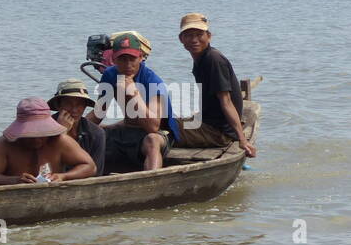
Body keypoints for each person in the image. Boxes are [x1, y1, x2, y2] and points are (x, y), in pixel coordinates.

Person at [94, 31, 178, 173]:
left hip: (158, 134)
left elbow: (153, 126)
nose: (128, 64)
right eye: (122, 59)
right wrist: (76, 129)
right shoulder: (110, 75)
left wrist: (134, 93)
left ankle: (151, 181)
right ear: (114, 59)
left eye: (132, 59)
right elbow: (98, 113)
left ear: (140, 57)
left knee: (152, 140)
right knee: (92, 134)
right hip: (128, 130)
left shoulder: (153, 81)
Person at [176, 13, 257, 157]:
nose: (194, 40)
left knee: (159, 124)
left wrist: (242, 139)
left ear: (209, 36)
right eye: (189, 35)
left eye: (199, 34)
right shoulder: (201, 59)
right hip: (208, 124)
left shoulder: (213, 60)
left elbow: (226, 102)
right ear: (181, 39)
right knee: (162, 118)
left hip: (218, 132)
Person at [0, 98, 97, 185]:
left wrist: (63, 176)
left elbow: (90, 167)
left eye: (41, 134)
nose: (36, 139)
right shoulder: (5, 144)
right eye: (30, 134)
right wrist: (14, 180)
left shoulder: (60, 141)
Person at [47, 79, 106, 176]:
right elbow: (46, 168)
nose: (74, 110)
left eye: (79, 104)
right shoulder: (44, 130)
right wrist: (61, 133)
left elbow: (96, 173)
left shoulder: (96, 133)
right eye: (68, 103)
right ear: (58, 105)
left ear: (85, 106)